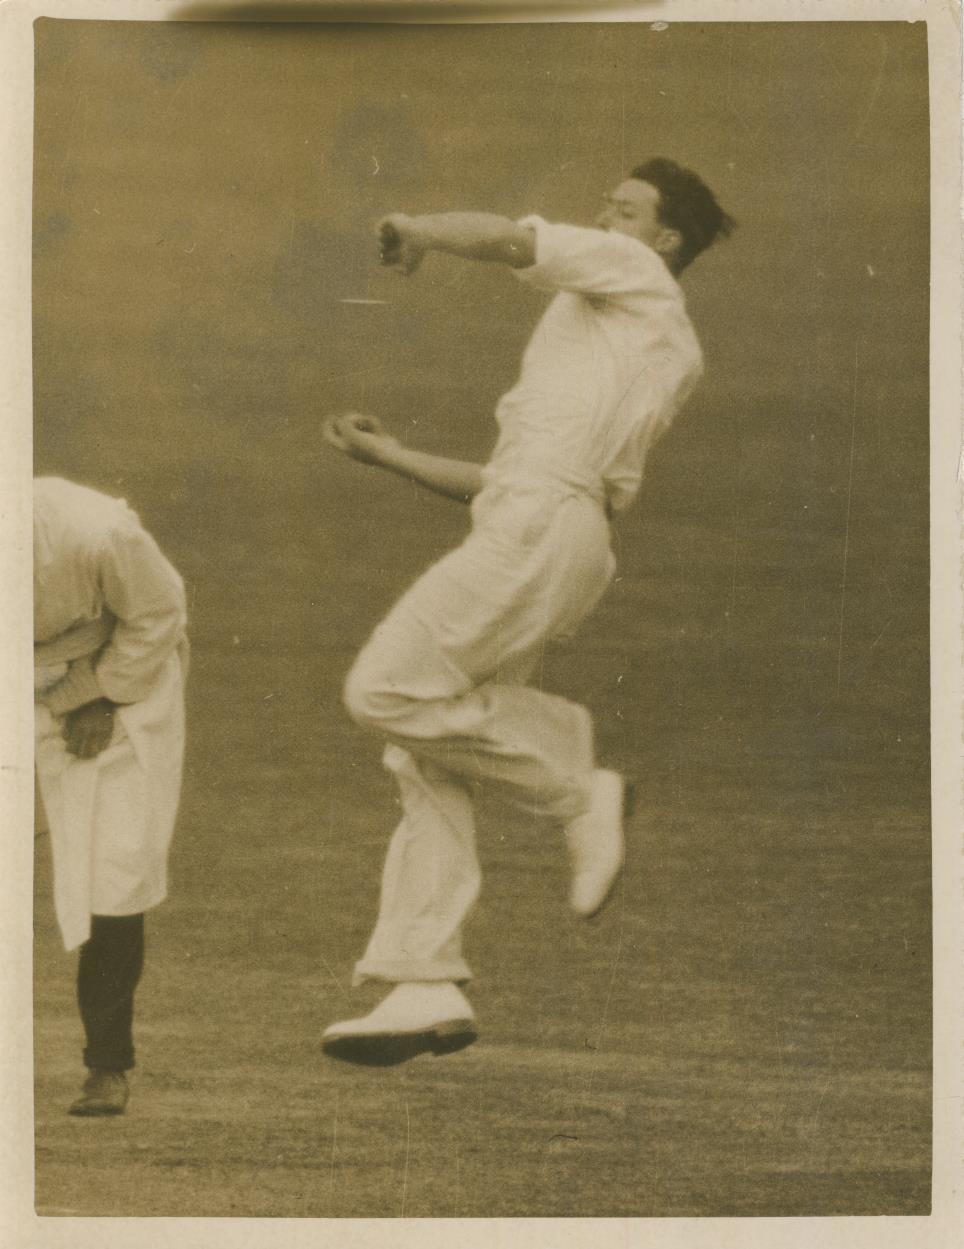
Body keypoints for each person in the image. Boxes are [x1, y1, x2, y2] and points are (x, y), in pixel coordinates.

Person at [321, 158, 734, 1065]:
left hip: (540, 530)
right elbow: (528, 482)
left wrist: (418, 227)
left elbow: (514, 236)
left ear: (664, 240)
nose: (602, 216)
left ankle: (580, 785)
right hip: (562, 532)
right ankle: (421, 977)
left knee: (386, 692)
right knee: (427, 747)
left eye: (622, 210)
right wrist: (391, 457)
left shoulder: (633, 271)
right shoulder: (655, 339)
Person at [34, 476, 188, 1115]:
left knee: (111, 875)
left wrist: (97, 693)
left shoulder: (99, 532)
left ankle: (107, 1066)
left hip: (121, 677)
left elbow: (157, 614)